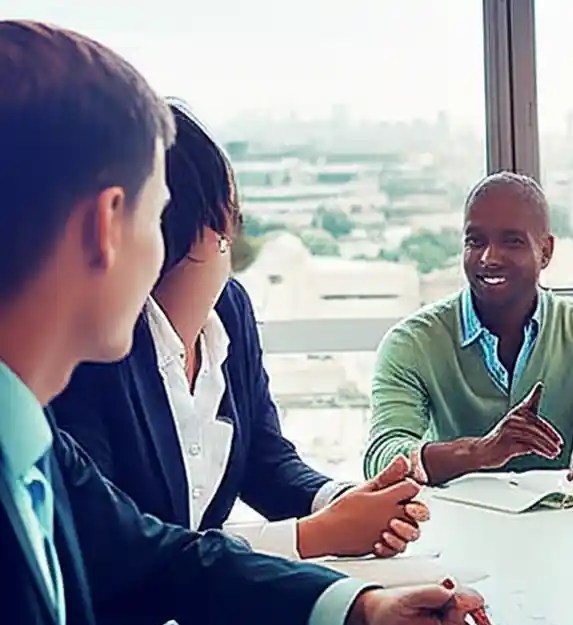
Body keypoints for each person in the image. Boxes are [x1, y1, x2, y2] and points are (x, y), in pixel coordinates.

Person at [0, 21, 490, 625]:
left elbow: (163, 561)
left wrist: (364, 607)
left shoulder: (36, 438)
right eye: (156, 215)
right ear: (105, 227)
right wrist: (319, 538)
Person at [50, 102, 425, 561]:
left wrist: (342, 502)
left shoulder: (231, 309)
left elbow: (264, 461)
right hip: (139, 604)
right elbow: (111, 547)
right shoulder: (97, 345)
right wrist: (313, 536)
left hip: (211, 600)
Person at [364, 172, 573, 492]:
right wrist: (480, 451)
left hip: (559, 518)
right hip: (452, 519)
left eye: (512, 241)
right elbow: (382, 456)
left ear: (546, 251)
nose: (489, 257)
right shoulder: (412, 342)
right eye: (475, 241)